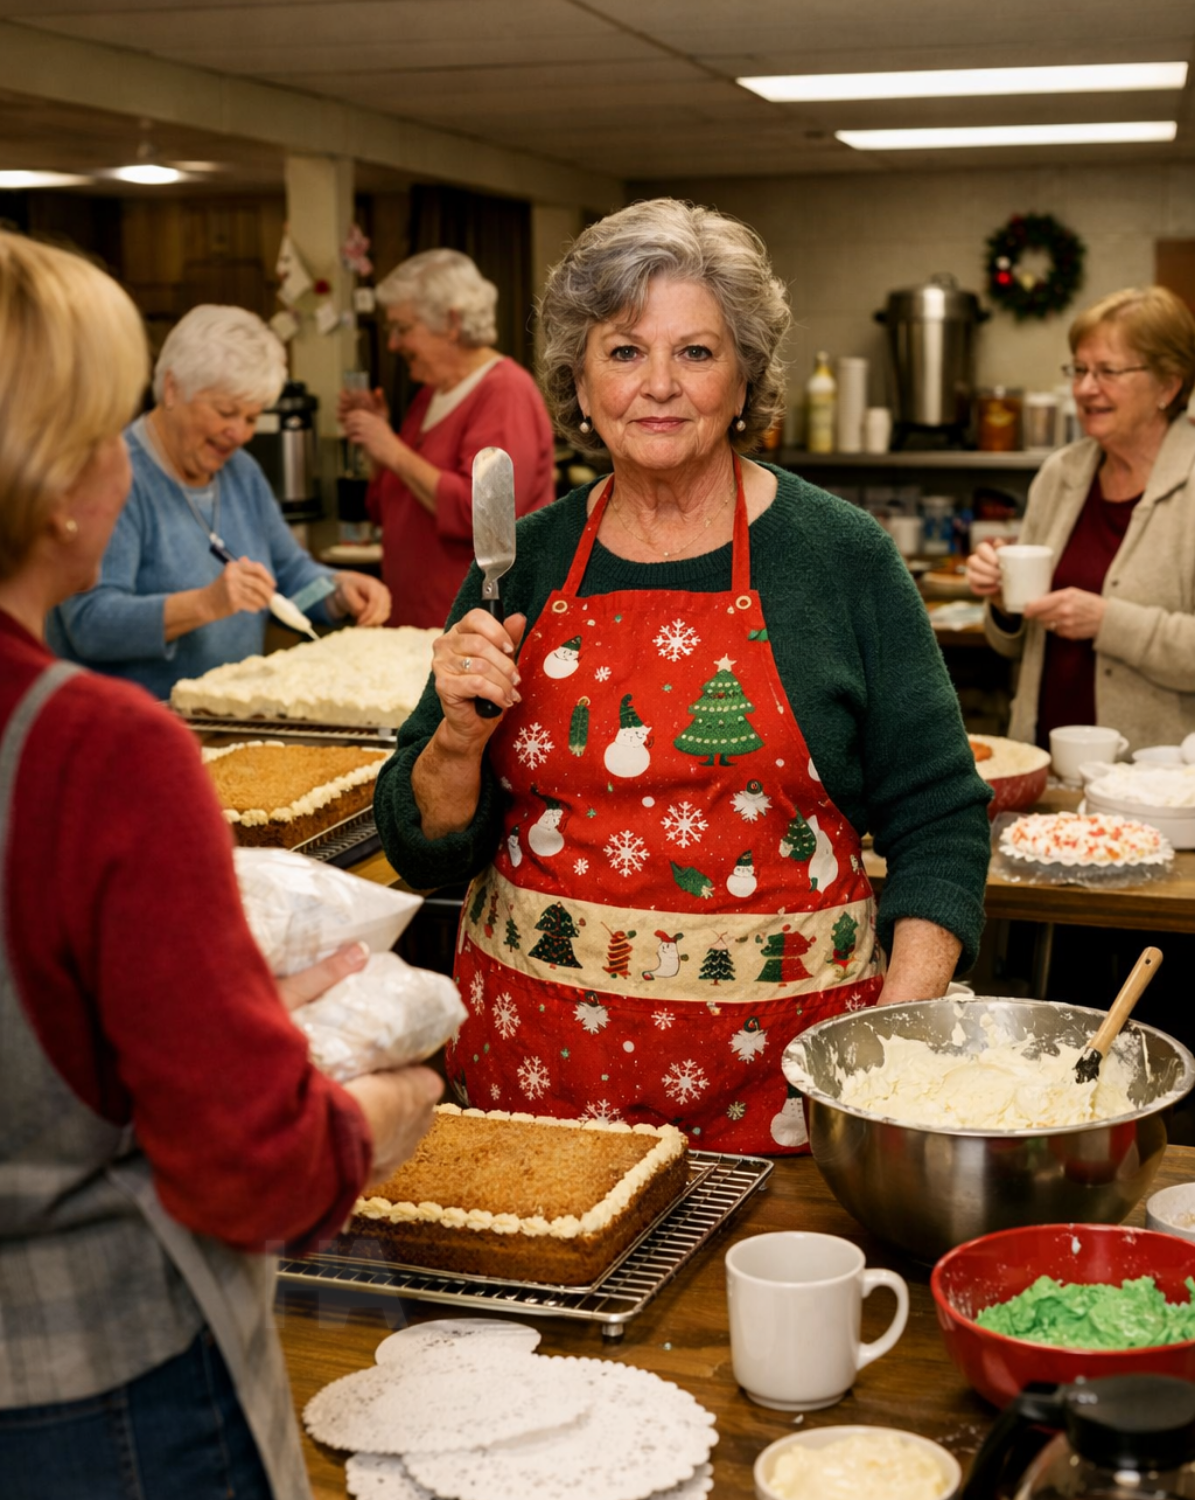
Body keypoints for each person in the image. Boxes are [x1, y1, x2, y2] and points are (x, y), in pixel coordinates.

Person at [373, 200, 991, 1156]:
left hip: (783, 1095)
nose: (658, 387)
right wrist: (458, 737)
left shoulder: (839, 558)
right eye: (623, 352)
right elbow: (426, 849)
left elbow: (939, 815)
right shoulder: (522, 562)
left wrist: (888, 1043)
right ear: (577, 380)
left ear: (747, 377)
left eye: (697, 353)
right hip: (536, 1090)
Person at [0, 232, 441, 1498]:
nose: (115, 467)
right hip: (102, 1395)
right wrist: (386, 1105)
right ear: (48, 483)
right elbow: (260, 1172)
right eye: (99, 437)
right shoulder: (100, 751)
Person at [48, 304, 391, 699]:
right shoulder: (113, 475)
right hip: (131, 723)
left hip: (226, 715)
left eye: (252, 417)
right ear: (173, 389)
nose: (240, 434)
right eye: (226, 412)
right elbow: (89, 624)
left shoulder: (241, 472)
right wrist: (204, 604)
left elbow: (290, 576)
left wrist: (336, 589)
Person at [966, 286, 1194, 751]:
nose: (1086, 389)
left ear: (1167, 386)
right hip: (1044, 758)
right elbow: (1016, 644)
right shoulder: (1061, 473)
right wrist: (1003, 597)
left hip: (1157, 779)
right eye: (1080, 369)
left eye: (1108, 371)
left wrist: (1107, 621)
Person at [339, 249, 555, 629]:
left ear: (452, 323)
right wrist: (378, 448)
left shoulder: (504, 392)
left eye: (403, 329)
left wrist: (391, 448)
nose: (393, 345)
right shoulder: (429, 396)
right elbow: (386, 509)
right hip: (416, 621)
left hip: (473, 626)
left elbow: (485, 520)